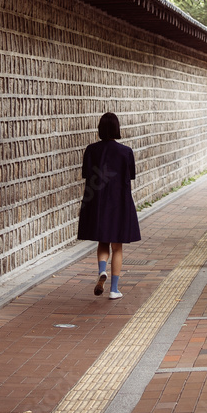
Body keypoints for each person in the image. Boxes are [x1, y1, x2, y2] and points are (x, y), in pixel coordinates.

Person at [77, 112, 141, 300]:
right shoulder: (126, 152)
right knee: (117, 246)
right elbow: (129, 177)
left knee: (102, 241)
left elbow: (87, 175)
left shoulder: (91, 150)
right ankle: (114, 289)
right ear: (117, 129)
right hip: (119, 202)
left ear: (100, 129)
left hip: (97, 202)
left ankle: (102, 270)